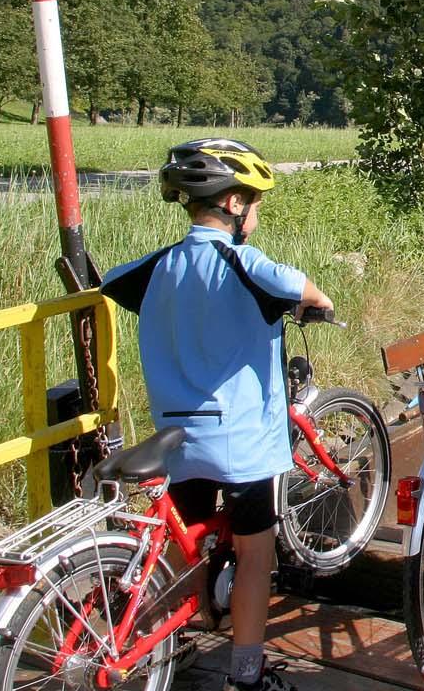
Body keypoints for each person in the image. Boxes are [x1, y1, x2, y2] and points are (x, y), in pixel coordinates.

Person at [101, 139, 333, 691]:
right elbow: (312, 294)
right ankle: (247, 674)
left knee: (190, 544)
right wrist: (313, 307)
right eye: (254, 203)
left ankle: (179, 638)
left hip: (176, 439)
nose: (255, 215)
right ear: (233, 205)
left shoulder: (158, 266)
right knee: (256, 553)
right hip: (240, 441)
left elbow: (112, 280)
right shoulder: (243, 261)